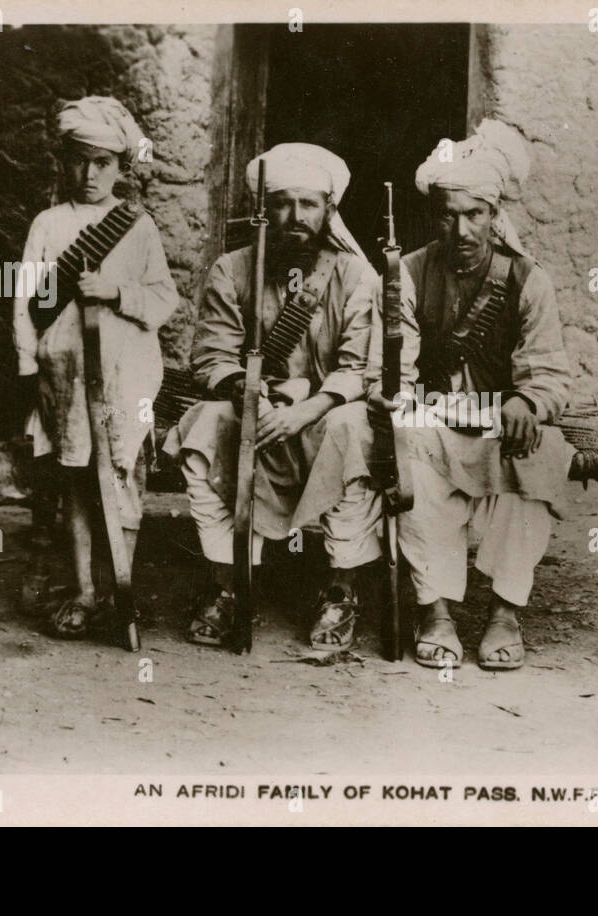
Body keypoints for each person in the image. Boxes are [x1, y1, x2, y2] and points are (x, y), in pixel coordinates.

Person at [163, 143, 385, 649]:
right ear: (265, 211)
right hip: (256, 414)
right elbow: (211, 356)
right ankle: (229, 585)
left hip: (326, 415)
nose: (295, 217)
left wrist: (308, 408)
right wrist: (243, 386)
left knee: (357, 431)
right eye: (282, 204)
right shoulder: (233, 269)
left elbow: (361, 367)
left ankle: (340, 590)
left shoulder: (355, 276)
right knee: (203, 425)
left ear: (329, 210)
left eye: (308, 205)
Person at [396, 120, 574, 671]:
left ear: (495, 216)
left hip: (501, 419)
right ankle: (437, 610)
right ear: (435, 216)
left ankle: (504, 611)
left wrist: (528, 402)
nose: (462, 228)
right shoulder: (408, 272)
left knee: (542, 449)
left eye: (475, 214)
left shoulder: (527, 280)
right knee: (406, 441)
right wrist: (408, 403)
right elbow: (396, 372)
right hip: (433, 416)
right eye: (449, 214)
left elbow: (549, 372)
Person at [12, 96, 179, 639]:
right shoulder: (48, 223)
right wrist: (28, 362)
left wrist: (114, 291)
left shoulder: (138, 225)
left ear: (120, 166)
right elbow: (25, 301)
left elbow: (163, 300)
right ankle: (84, 590)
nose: (89, 174)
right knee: (81, 482)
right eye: (79, 161)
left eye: (103, 163)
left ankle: (119, 591)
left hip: (126, 374)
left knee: (123, 476)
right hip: (66, 376)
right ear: (64, 161)